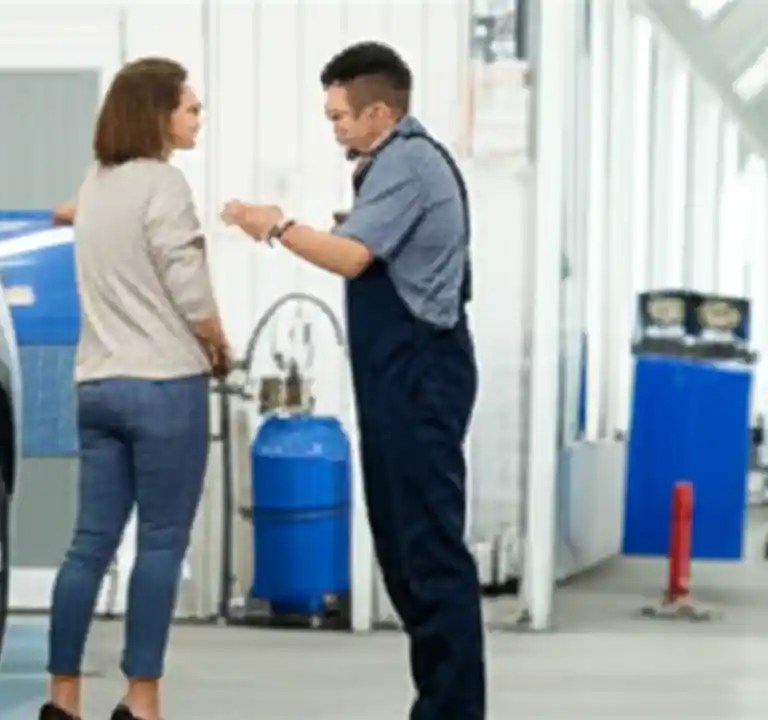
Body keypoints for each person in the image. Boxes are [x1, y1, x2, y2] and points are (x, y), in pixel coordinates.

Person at [221, 41, 486, 720]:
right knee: (402, 548)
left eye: (341, 116)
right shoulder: (387, 166)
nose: (334, 127)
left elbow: (350, 256)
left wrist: (276, 224)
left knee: (428, 551)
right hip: (396, 378)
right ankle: (440, 704)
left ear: (379, 111)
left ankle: (452, 711)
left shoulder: (407, 162)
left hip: (421, 375)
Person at [40, 56, 231, 720]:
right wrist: (216, 340)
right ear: (158, 115)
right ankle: (142, 697)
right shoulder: (164, 184)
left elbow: (73, 218)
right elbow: (186, 280)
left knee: (88, 543)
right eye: (190, 108)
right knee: (159, 542)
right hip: (163, 386)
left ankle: (62, 697)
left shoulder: (96, 183)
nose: (198, 118)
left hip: (97, 385)